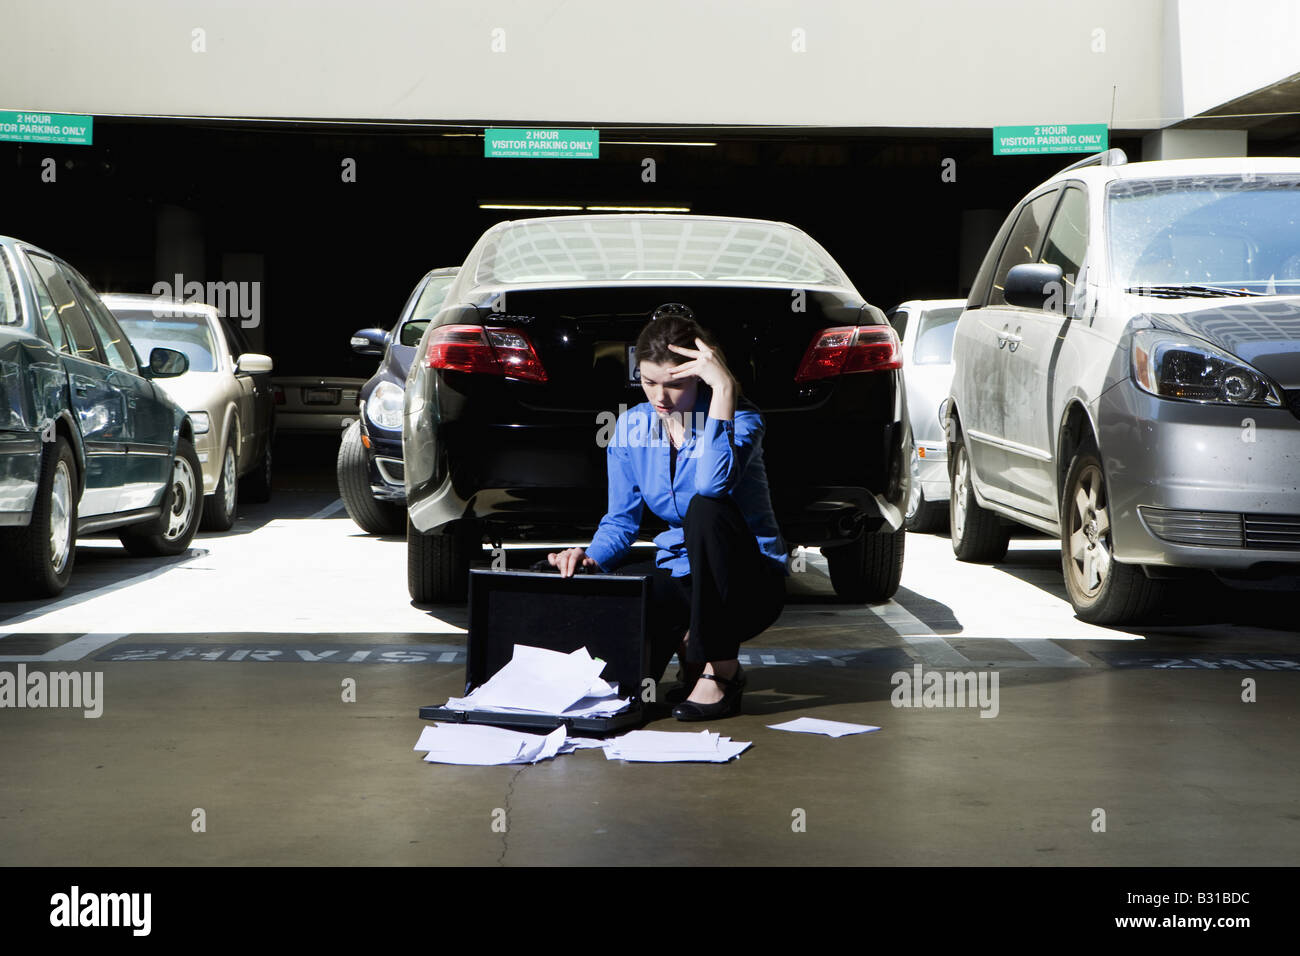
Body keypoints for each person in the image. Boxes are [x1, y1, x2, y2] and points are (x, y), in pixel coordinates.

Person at [547, 315, 788, 720]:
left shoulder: (741, 418)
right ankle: (689, 650)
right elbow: (621, 522)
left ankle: (720, 668)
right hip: (682, 573)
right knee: (619, 685)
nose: (660, 396)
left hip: (747, 583)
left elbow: (714, 486)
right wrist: (590, 557)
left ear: (701, 378)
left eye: (675, 383)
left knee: (704, 508)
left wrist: (725, 388)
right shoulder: (631, 426)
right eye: (648, 381)